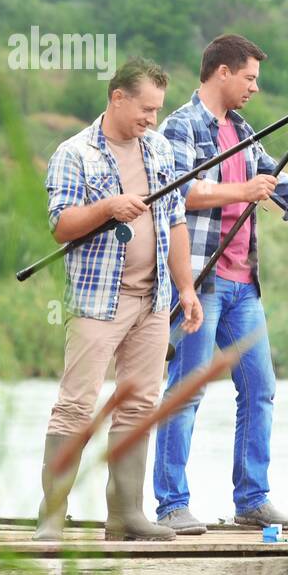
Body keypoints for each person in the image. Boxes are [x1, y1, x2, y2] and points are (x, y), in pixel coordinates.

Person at [154, 34, 288, 535]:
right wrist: (242, 190)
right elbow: (178, 193)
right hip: (200, 281)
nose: (255, 87)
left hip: (243, 286)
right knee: (185, 390)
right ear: (222, 73)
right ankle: (171, 505)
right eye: (249, 77)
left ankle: (252, 498)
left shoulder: (245, 132)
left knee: (260, 388)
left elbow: (285, 188)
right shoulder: (181, 127)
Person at [36, 57, 202, 542]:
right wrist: (108, 208)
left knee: (138, 404)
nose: (152, 119)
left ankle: (126, 514)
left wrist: (187, 288)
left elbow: (175, 223)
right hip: (96, 301)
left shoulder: (158, 150)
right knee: (76, 405)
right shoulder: (75, 153)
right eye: (146, 109)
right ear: (117, 98)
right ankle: (51, 515)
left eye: (157, 110)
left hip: (153, 301)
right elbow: (61, 226)